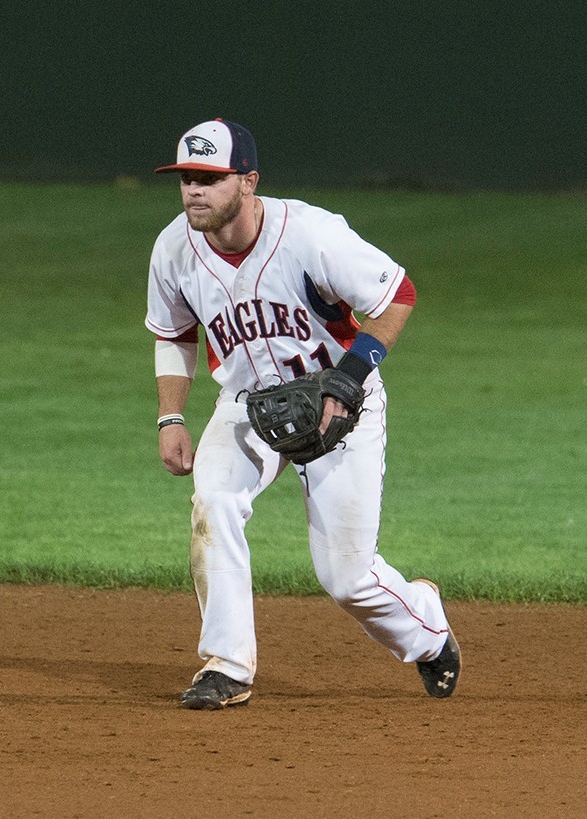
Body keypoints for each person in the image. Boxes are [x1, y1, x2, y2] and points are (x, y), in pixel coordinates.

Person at [145, 118, 461, 710]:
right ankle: (227, 666)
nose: (194, 190)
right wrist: (171, 417)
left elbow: (397, 294)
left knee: (347, 579)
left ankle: (426, 630)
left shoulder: (310, 234)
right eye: (187, 177)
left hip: (338, 407)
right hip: (244, 405)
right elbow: (174, 333)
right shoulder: (173, 249)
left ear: (248, 182)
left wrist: (351, 375)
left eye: (209, 179)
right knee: (213, 504)